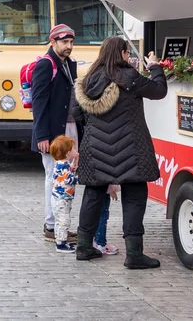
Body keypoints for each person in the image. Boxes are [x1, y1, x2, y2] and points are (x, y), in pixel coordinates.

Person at [71, 36, 167, 268]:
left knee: (93, 194)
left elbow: (76, 112)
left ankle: (84, 247)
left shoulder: (88, 80)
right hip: (131, 148)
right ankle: (134, 255)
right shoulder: (129, 77)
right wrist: (154, 66)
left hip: (95, 147)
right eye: (127, 53)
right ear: (122, 54)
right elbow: (159, 91)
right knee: (134, 196)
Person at [30, 24, 78, 244]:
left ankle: (61, 224)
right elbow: (38, 102)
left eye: (70, 42)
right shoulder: (45, 65)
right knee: (53, 177)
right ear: (53, 42)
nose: (68, 46)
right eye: (64, 42)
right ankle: (51, 225)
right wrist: (42, 135)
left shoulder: (68, 64)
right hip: (52, 132)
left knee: (65, 178)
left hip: (68, 128)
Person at [49, 135, 78, 253]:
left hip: (57, 198)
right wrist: (78, 178)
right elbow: (68, 179)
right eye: (74, 149)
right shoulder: (64, 165)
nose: (76, 150)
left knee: (58, 220)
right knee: (64, 221)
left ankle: (59, 240)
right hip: (62, 199)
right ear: (68, 152)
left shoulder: (59, 163)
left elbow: (66, 173)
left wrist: (75, 162)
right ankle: (61, 244)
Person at [93, 185, 120, 255]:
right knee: (102, 216)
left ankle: (96, 241)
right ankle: (100, 244)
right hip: (103, 188)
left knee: (97, 214)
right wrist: (110, 189)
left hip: (95, 187)